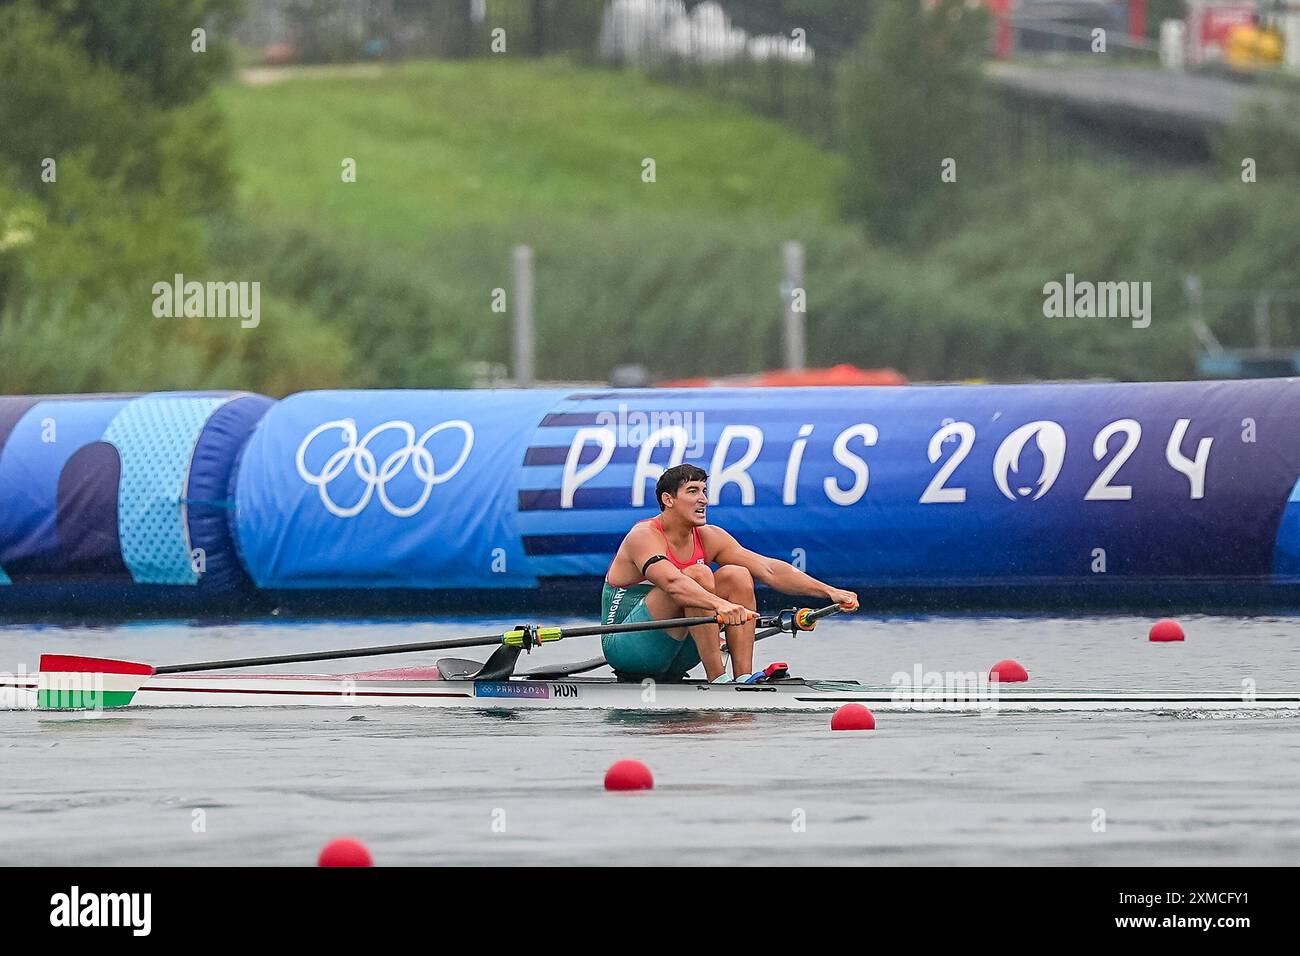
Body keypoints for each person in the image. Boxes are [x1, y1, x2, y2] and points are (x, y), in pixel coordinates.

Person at [602, 463, 859, 682]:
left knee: (737, 574)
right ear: (668, 500)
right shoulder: (643, 535)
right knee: (699, 576)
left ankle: (742, 678)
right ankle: (718, 679)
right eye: (692, 491)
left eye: (704, 491)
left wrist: (830, 591)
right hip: (628, 647)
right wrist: (721, 605)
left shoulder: (710, 536)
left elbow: (769, 569)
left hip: (679, 649)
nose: (703, 499)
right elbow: (672, 583)